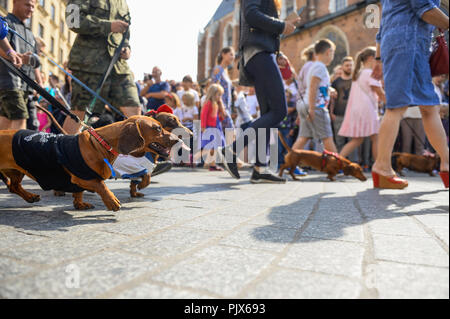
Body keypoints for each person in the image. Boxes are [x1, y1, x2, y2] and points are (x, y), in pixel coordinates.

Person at [371, 0, 449, 189]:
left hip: (406, 44)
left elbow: (382, 25)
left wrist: (379, 58)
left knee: (429, 106)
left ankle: (447, 164)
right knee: (397, 107)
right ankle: (381, 166)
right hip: (408, 43)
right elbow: (424, 8)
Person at [220, 0, 300, 184]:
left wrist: (275, 52)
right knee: (279, 111)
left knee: (268, 114)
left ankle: (259, 169)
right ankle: (232, 150)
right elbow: (251, 14)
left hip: (262, 54)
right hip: (259, 54)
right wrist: (282, 25)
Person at [63, 0, 141, 134]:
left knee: (134, 109)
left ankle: (132, 153)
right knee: (80, 113)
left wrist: (126, 47)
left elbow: (125, 32)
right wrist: (107, 26)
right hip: (89, 65)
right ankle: (62, 152)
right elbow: (72, 20)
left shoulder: (122, 3)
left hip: (118, 65)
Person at [338, 47, 386, 166]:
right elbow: (379, 92)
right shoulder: (369, 73)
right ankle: (379, 166)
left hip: (358, 109)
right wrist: (391, 105)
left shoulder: (359, 73)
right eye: (377, 59)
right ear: (370, 58)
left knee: (357, 140)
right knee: (375, 138)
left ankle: (337, 161)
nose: (379, 62)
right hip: (367, 109)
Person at [0, 0, 41, 131]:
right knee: (20, 118)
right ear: (15, 2)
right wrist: (19, 57)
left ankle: (3, 150)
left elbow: (35, 61)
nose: (31, 9)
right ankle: (16, 151)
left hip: (25, 85)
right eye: (27, 4)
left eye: (33, 6)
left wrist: (39, 82)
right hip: (8, 82)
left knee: (6, 120)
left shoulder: (30, 33)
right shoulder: (6, 23)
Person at [293, 39, 338, 153]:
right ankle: (339, 166)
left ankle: (289, 163)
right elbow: (313, 87)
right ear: (328, 52)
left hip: (306, 104)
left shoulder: (315, 66)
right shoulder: (320, 67)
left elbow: (317, 86)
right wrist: (312, 109)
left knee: (304, 137)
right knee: (327, 137)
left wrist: (329, 90)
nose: (332, 56)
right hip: (316, 106)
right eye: (332, 53)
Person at [330, 57, 354, 153]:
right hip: (338, 115)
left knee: (352, 141)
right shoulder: (336, 82)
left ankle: (353, 164)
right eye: (347, 65)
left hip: (353, 115)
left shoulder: (356, 81)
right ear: (342, 67)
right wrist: (331, 113)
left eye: (351, 65)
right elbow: (332, 99)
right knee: (339, 141)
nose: (349, 67)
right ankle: (340, 163)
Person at [201, 84, 226, 171]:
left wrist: (221, 105)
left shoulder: (217, 104)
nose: (220, 97)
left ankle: (209, 163)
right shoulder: (208, 103)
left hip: (216, 127)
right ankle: (212, 164)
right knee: (212, 147)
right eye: (219, 94)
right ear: (213, 94)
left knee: (214, 147)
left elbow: (221, 117)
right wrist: (203, 127)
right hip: (209, 127)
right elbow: (203, 115)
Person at [212, 47, 235, 135]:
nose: (233, 57)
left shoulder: (226, 71)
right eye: (231, 54)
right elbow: (215, 88)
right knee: (230, 133)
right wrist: (221, 105)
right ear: (223, 54)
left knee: (226, 136)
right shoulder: (218, 69)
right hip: (221, 107)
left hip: (227, 108)